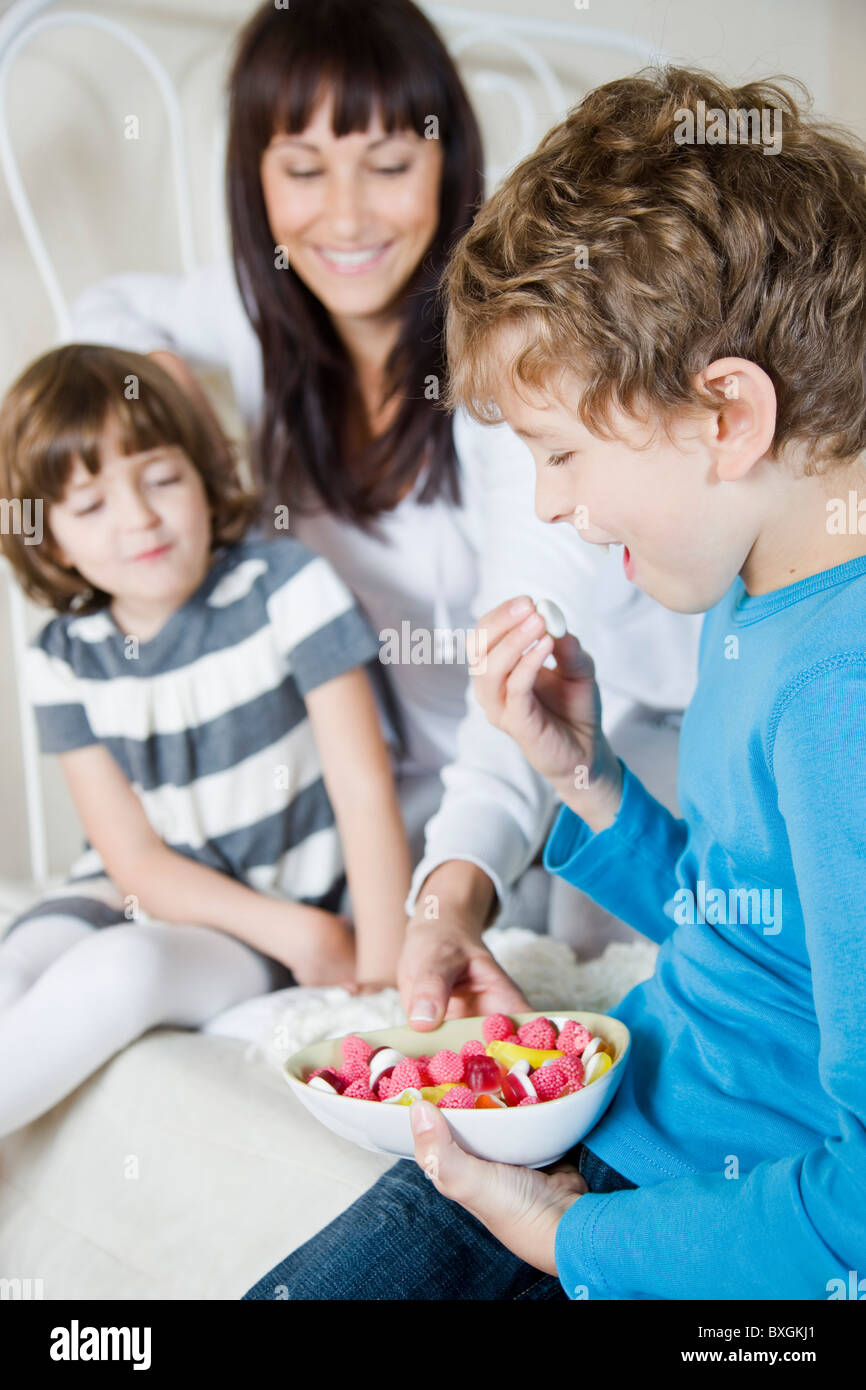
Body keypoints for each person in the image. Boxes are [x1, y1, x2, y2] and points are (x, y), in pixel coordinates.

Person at [241, 65, 866, 1300]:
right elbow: (744, 927)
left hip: (698, 1218)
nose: (547, 504)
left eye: (559, 449)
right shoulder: (760, 587)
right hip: (617, 1121)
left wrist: (561, 1240)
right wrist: (583, 781)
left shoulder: (835, 699)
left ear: (726, 415)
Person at [66, 0, 702, 989]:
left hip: (602, 721)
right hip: (421, 773)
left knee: (607, 949)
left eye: (390, 165)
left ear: (448, 166)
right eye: (303, 169)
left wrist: (453, 885)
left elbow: (530, 650)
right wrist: (156, 376)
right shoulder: (247, 322)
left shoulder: (506, 354)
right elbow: (101, 311)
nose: (347, 216)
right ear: (255, 180)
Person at [0, 344, 411, 1138]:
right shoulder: (62, 655)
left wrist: (377, 976)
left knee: (124, 971)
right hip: (132, 888)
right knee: (14, 967)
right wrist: (300, 937)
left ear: (202, 472)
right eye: (91, 506)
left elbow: (366, 792)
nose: (140, 518)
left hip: (255, 915)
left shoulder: (288, 589)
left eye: (160, 479)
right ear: (51, 543)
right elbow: (133, 861)